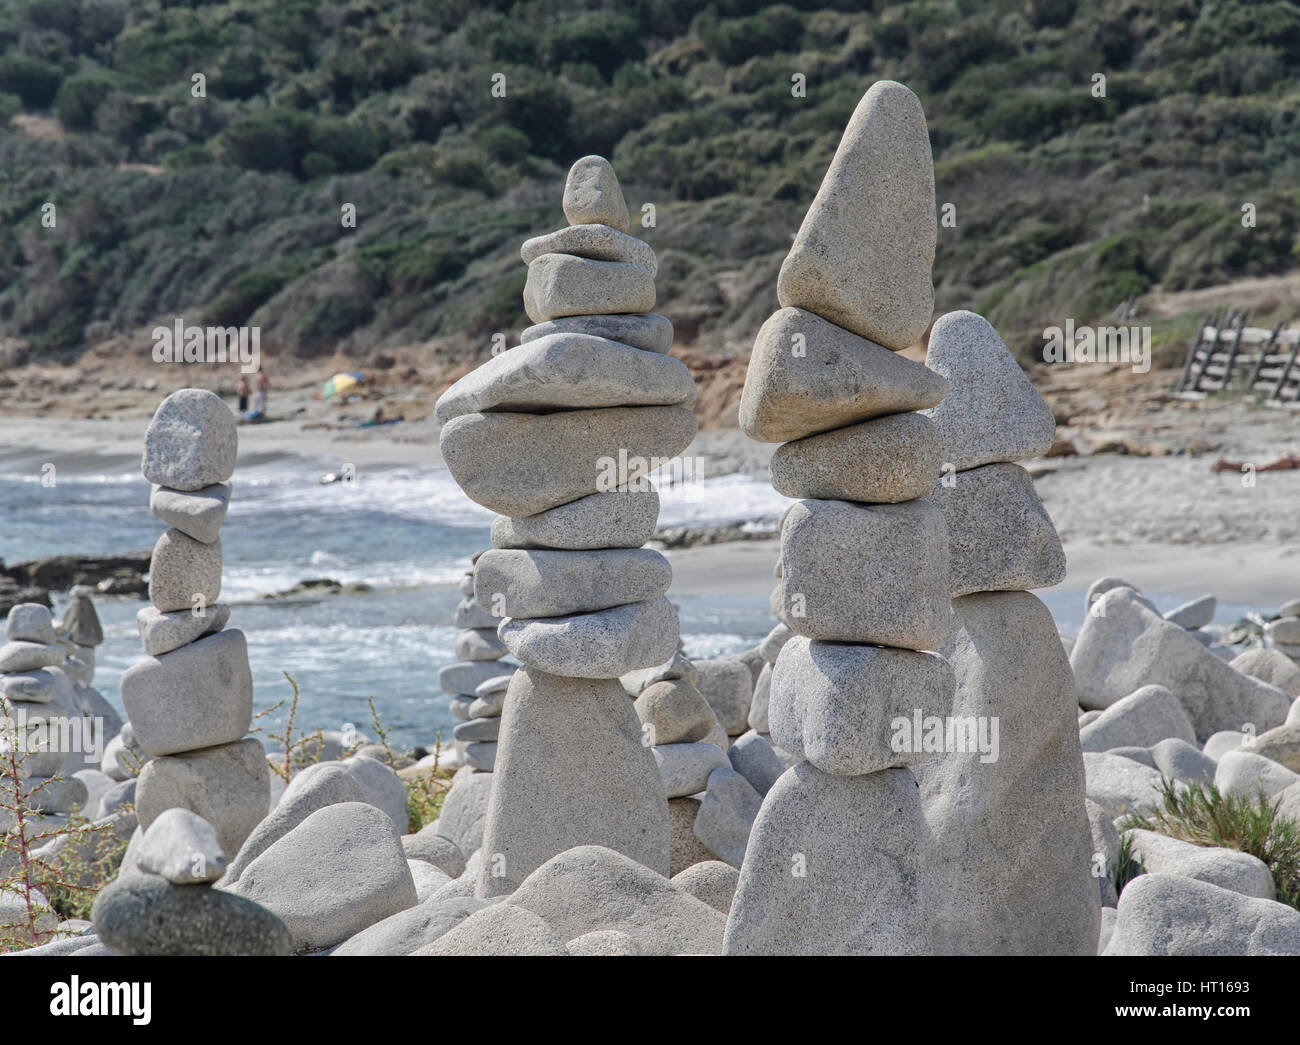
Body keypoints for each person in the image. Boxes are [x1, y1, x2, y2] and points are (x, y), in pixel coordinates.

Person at [1212, 453, 1300, 474]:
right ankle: (1225, 465)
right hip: (1289, 463)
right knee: (1258, 469)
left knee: (1257, 468)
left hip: (1290, 461)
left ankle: (1225, 465)